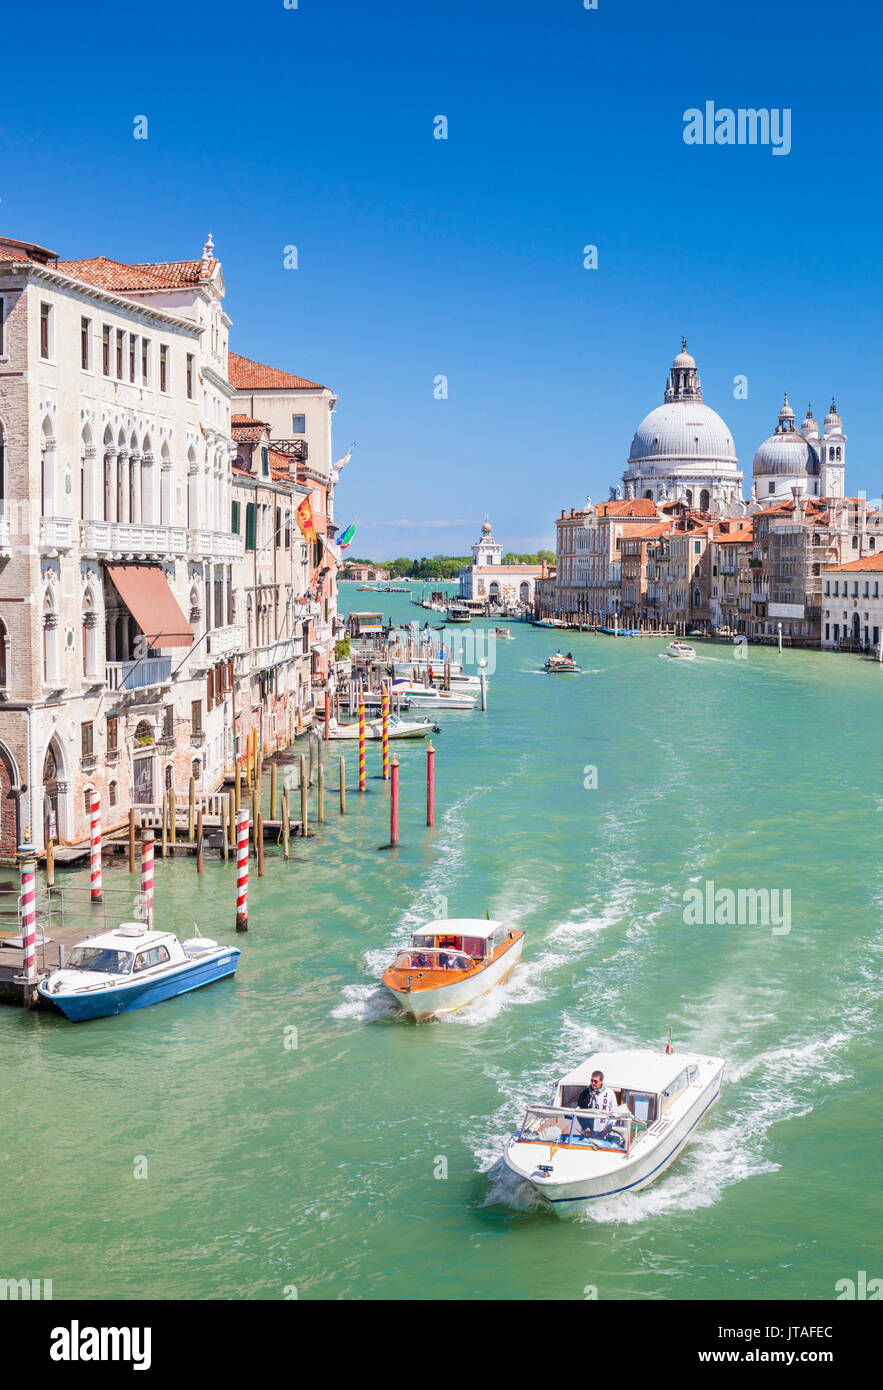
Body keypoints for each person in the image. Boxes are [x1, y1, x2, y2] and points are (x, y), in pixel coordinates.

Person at [576, 1070, 618, 1139]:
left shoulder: (610, 1093)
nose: (593, 1083)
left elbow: (614, 1112)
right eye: (591, 1080)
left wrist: (610, 1125)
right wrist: (585, 1126)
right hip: (587, 1131)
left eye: (595, 1081)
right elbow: (579, 1112)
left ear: (601, 1081)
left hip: (604, 1131)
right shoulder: (584, 1092)